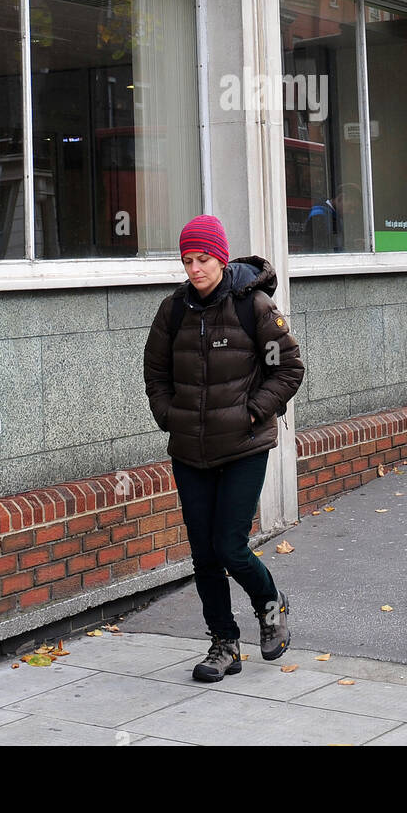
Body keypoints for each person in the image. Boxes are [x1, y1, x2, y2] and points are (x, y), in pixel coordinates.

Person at [143, 214, 305, 682]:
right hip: (189, 450)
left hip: (243, 446)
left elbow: (288, 369)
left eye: (204, 259)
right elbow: (155, 374)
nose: (195, 269)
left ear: (222, 257)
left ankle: (271, 608)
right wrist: (169, 416)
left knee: (231, 548)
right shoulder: (173, 311)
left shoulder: (253, 307)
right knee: (204, 554)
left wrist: (252, 412)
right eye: (187, 260)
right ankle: (224, 644)